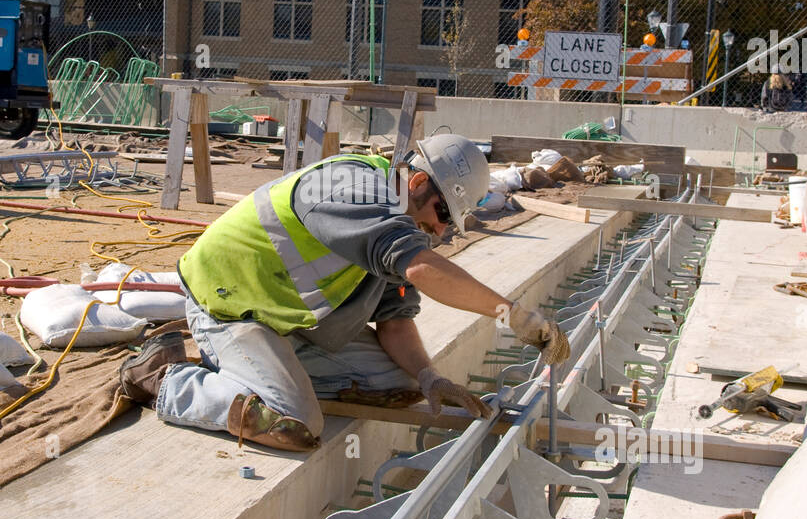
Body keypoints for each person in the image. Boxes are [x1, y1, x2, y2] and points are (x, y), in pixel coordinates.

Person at [117, 134, 573, 451]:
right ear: (415, 183)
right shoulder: (353, 191)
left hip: (287, 322)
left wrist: (430, 377)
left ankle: (261, 375)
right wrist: (514, 316)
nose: (440, 229)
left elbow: (395, 322)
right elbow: (421, 269)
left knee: (402, 385)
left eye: (449, 224)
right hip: (231, 308)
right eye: (441, 212)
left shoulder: (398, 220)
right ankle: (166, 377)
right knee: (294, 424)